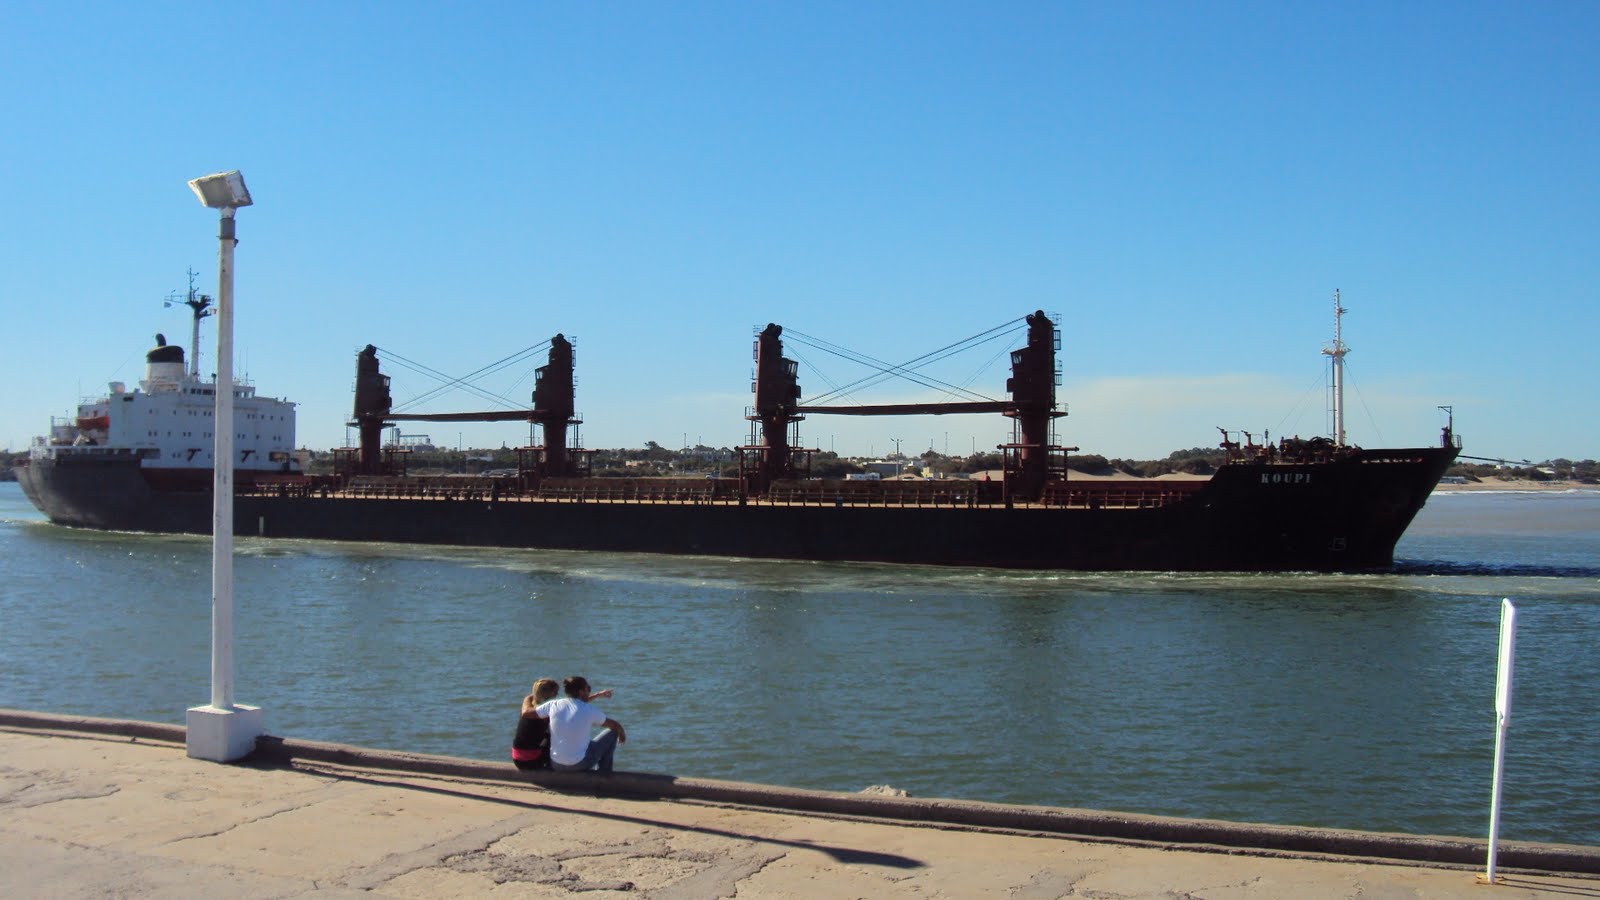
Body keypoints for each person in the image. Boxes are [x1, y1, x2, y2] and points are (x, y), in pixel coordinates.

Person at [536, 675, 626, 774]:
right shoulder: (589, 710)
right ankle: (605, 772)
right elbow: (614, 725)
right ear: (581, 692)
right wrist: (622, 735)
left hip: (555, 764)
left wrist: (527, 700)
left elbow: (529, 713)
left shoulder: (553, 705)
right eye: (588, 688)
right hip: (579, 765)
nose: (589, 691)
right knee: (612, 732)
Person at [511, 678, 559, 771]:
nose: (557, 696)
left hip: (517, 759)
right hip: (531, 762)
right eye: (556, 693)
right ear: (551, 695)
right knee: (555, 735)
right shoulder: (546, 712)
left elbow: (529, 697)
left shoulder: (528, 704)